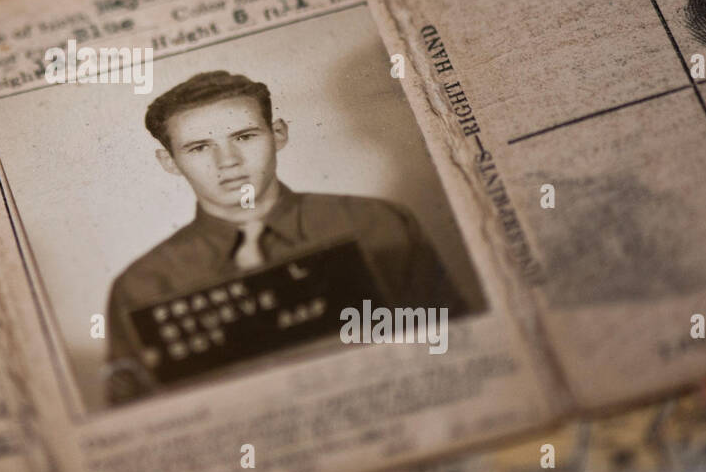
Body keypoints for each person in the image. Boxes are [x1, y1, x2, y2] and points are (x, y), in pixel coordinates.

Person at [104, 69, 474, 404]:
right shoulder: (142, 286)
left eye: (244, 137)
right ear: (169, 162)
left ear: (278, 134)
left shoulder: (378, 224)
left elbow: (456, 346)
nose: (227, 161)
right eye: (199, 147)